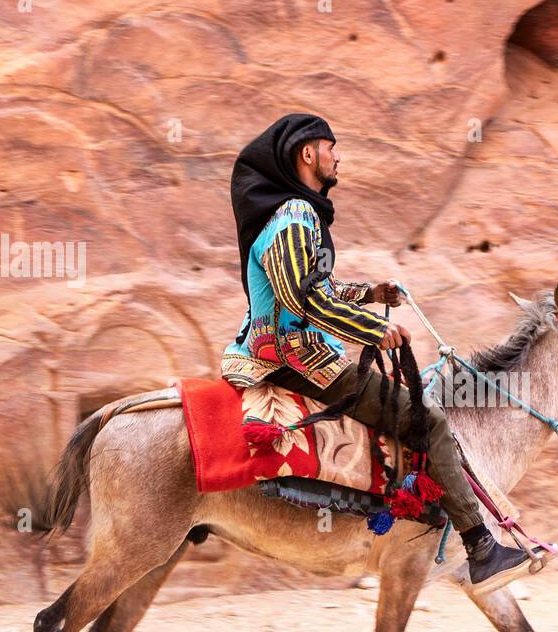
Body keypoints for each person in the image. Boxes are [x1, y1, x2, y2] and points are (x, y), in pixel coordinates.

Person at [223, 113, 537, 594]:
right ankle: (481, 548)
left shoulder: (290, 215)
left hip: (291, 353)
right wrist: (375, 330)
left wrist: (370, 294)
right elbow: (300, 299)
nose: (337, 156)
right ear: (308, 154)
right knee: (428, 420)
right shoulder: (292, 216)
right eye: (331, 146)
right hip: (296, 360)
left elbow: (318, 288)